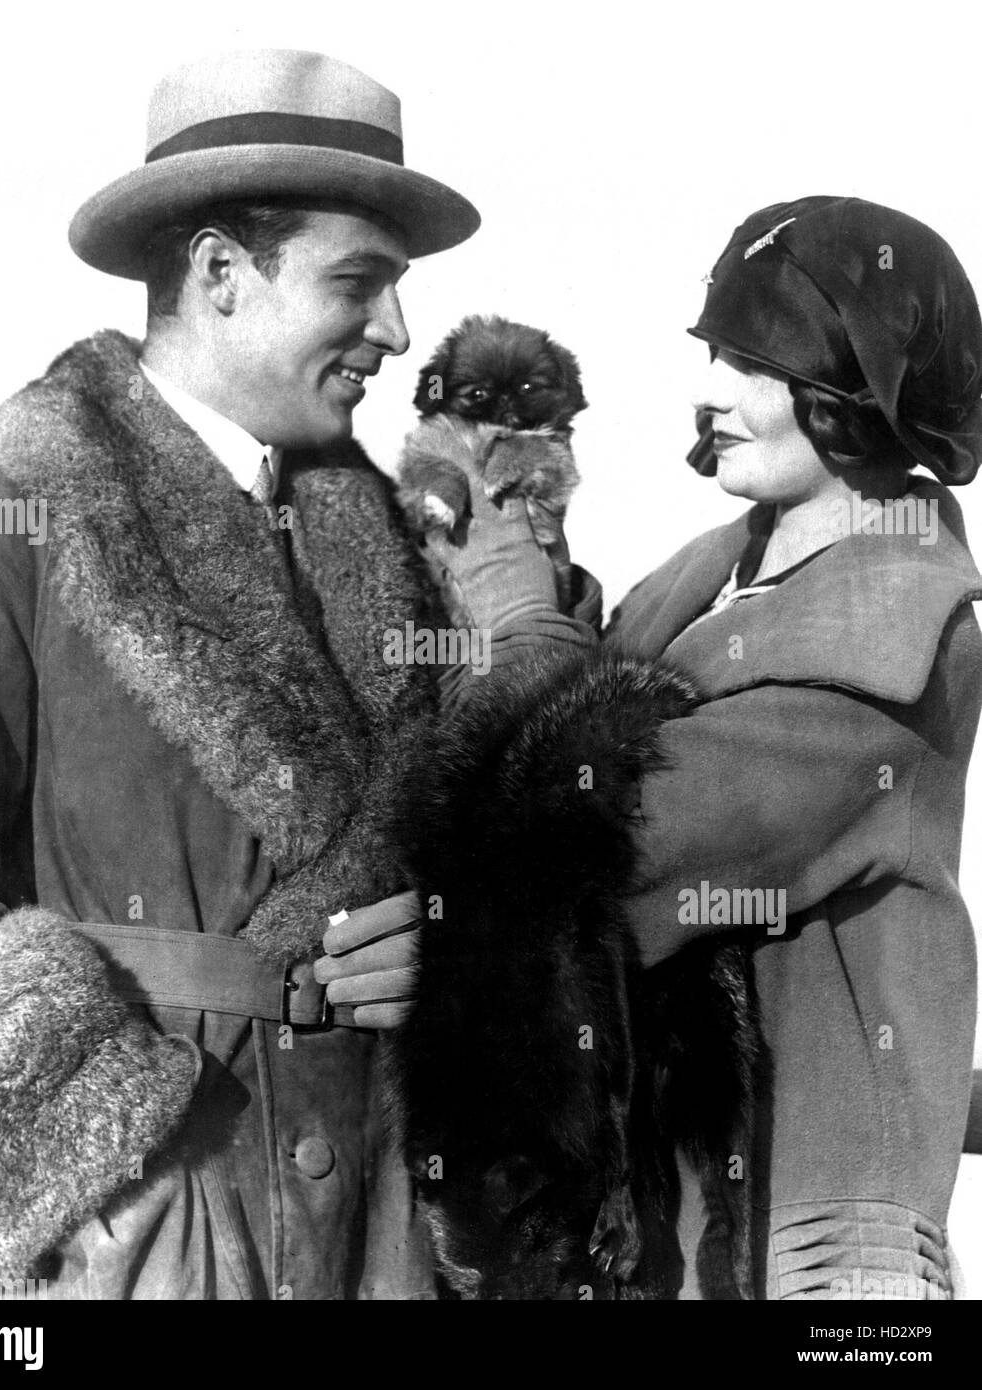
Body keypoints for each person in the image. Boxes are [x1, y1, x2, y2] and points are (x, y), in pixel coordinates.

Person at [0, 48, 597, 1301]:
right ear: (221, 273)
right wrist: (124, 1201)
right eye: (359, 281)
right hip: (135, 1242)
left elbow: (476, 866)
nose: (393, 332)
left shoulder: (397, 552)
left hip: (379, 1236)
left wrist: (434, 947)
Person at [420, 196, 982, 1299]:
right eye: (714, 353)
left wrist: (515, 606)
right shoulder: (716, 575)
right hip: (667, 1235)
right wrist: (535, 540)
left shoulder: (896, 635)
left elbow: (609, 842)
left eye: (749, 362)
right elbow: (597, 707)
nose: (708, 392)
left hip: (807, 1264)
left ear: (845, 398)